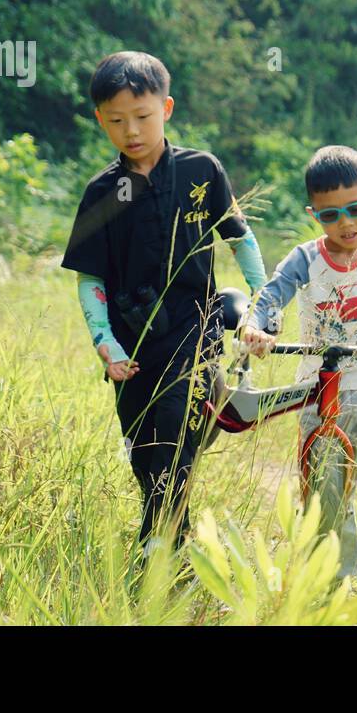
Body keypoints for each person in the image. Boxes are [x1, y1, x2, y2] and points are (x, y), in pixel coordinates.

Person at [60, 51, 266, 561]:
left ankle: (161, 555)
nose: (131, 130)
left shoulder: (203, 170)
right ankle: (170, 537)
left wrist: (264, 304)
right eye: (117, 121)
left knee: (173, 440)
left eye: (143, 116)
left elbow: (241, 239)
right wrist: (104, 342)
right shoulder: (104, 192)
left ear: (167, 107)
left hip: (194, 332)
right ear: (99, 119)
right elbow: (91, 279)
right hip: (132, 346)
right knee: (146, 453)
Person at [240, 144, 357, 589]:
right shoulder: (306, 258)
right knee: (325, 499)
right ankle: (335, 592)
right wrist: (256, 328)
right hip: (319, 396)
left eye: (356, 210)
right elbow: (269, 297)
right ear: (314, 214)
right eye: (330, 215)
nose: (346, 223)